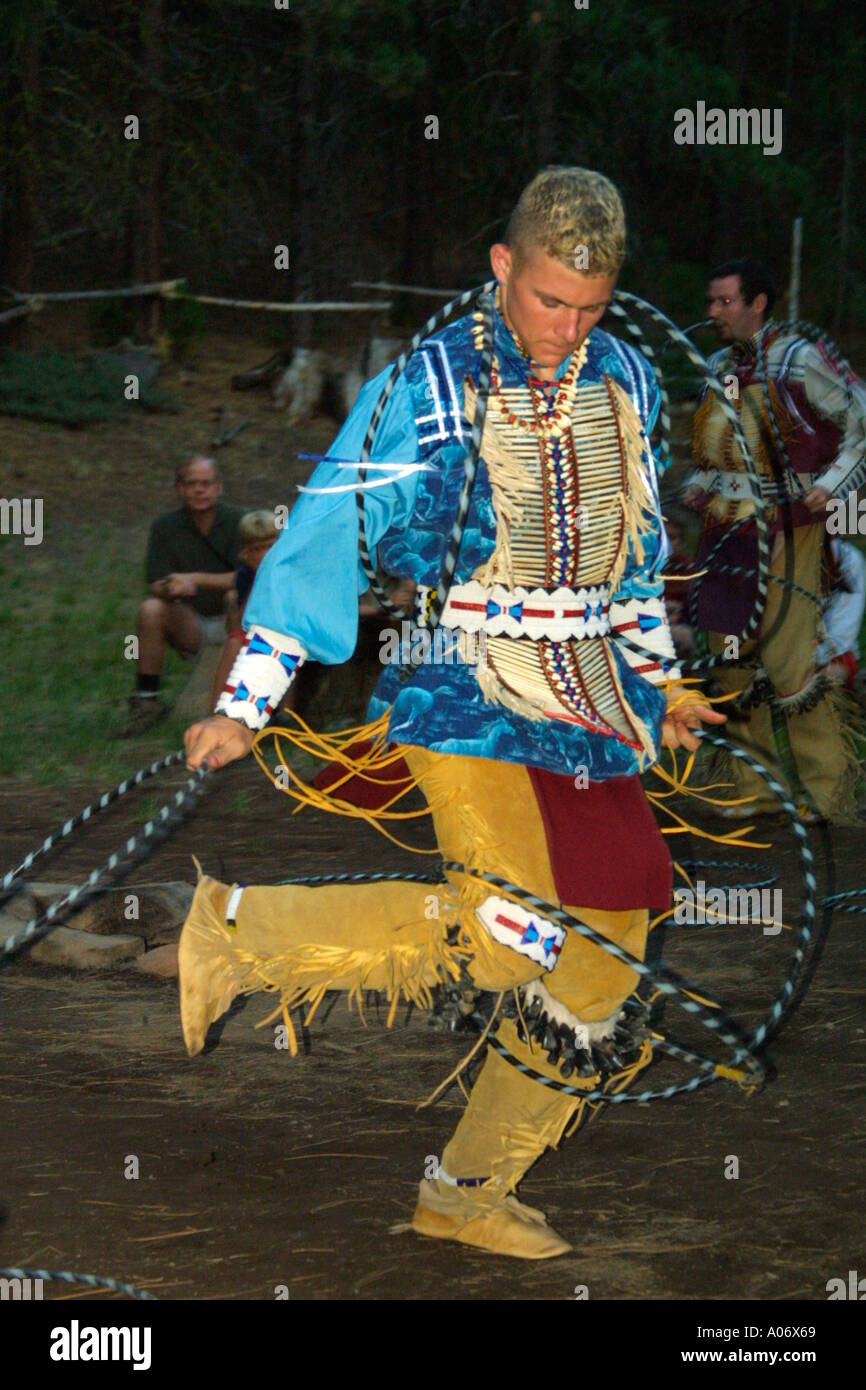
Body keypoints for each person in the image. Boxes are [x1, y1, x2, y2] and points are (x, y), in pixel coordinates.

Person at [178, 167, 722, 1260]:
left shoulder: (625, 378)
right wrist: (245, 701)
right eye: (545, 301)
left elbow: (638, 551)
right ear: (501, 268)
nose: (565, 328)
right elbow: (324, 531)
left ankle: (463, 1189)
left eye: (587, 307)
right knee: (502, 931)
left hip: (586, 701)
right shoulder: (423, 386)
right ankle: (233, 935)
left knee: (606, 942)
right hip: (461, 681)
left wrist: (654, 681)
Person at [684, 258, 866, 821]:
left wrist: (835, 485)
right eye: (712, 301)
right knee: (730, 659)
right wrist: (700, 482)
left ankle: (827, 792)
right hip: (726, 529)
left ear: (758, 302)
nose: (713, 312)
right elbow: (719, 445)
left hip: (790, 525)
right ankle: (750, 786)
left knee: (789, 664)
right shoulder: (718, 365)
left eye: (725, 302)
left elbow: (862, 418)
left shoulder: (801, 359)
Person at [123, 456, 244, 735]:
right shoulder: (165, 527)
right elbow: (155, 580)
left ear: (219, 487)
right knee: (151, 609)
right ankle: (146, 701)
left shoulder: (241, 522)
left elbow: (251, 575)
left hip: (236, 621)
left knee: (235, 597)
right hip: (194, 621)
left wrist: (196, 579)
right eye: (192, 484)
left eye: (206, 484)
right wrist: (171, 587)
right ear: (179, 489)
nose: (200, 491)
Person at [210, 509, 282, 710]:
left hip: (288, 630)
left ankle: (284, 713)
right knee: (235, 641)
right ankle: (215, 710)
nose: (264, 554)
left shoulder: (289, 571)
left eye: (270, 546)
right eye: (257, 549)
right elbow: (245, 620)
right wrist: (259, 576)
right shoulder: (247, 575)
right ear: (246, 552)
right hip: (258, 631)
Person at [818, 538, 866, 690]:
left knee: (830, 675)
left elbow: (841, 636)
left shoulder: (849, 558)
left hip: (831, 658)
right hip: (785, 652)